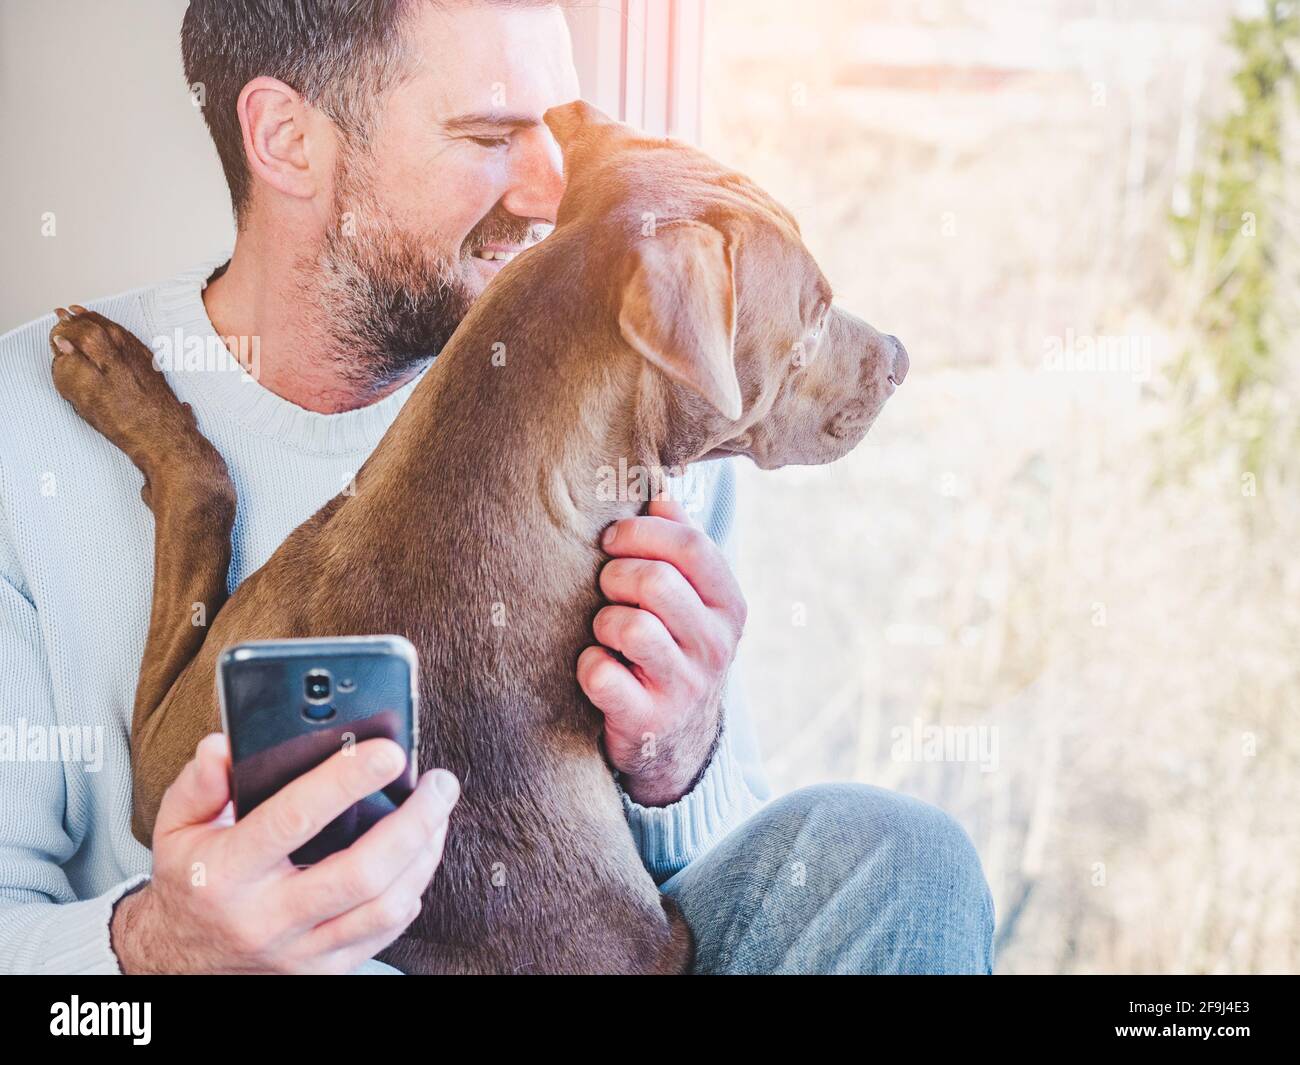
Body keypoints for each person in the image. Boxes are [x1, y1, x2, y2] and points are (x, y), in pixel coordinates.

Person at [0, 0, 993, 974]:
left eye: (555, 128)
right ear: (287, 140)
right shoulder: (24, 434)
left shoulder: (644, 378)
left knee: (895, 856)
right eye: (487, 134)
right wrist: (162, 949)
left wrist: (677, 760)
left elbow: (706, 886)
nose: (547, 190)